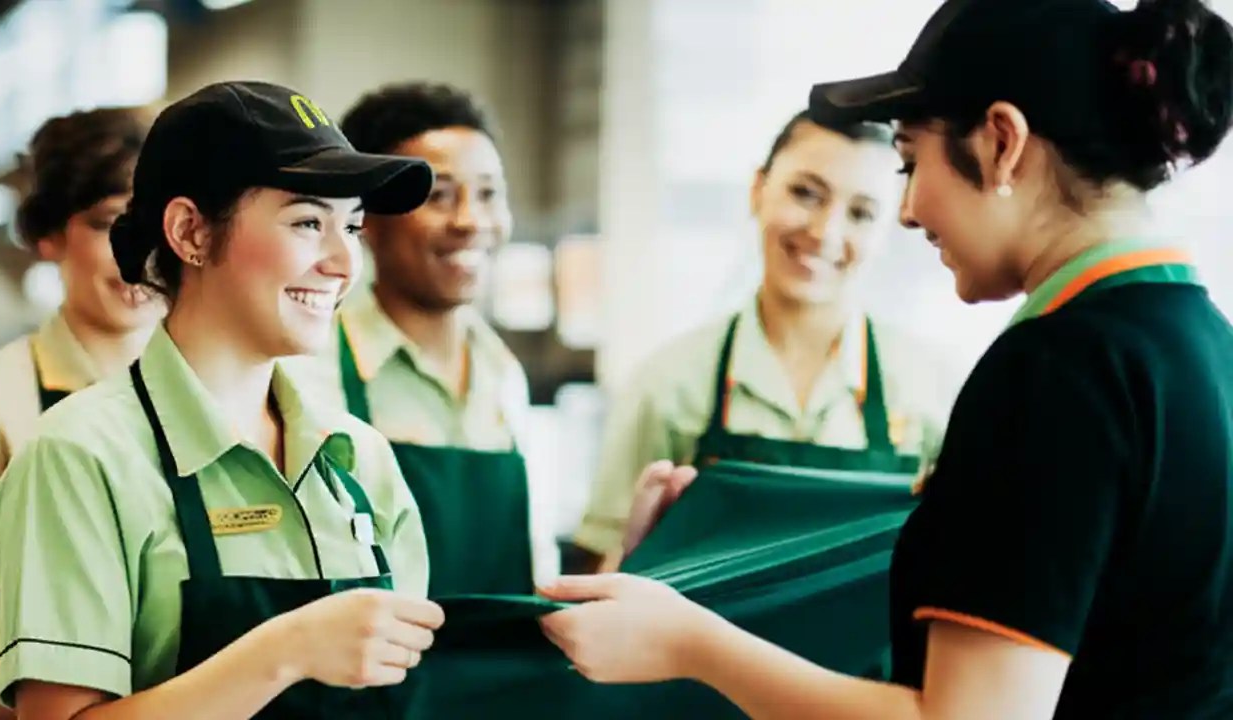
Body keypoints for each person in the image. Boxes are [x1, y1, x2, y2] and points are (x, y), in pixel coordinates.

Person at [539, 0, 1233, 717]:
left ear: (1002, 141)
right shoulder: (1207, 345)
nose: (908, 211)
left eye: (908, 164)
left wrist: (691, 644)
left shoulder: (1055, 370)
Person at [0, 81, 445, 720]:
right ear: (190, 231)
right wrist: (286, 651)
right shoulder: (79, 458)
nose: (344, 262)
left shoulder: (358, 460)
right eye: (309, 222)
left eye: (354, 227)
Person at [572, 107, 961, 572]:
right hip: (691, 647)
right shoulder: (668, 383)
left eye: (861, 212)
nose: (824, 232)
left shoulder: (931, 389)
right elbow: (599, 569)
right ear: (758, 190)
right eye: (806, 193)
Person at [292, 82, 558, 595]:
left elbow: (536, 566)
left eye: (488, 194)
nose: (470, 221)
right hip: (375, 670)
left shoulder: (504, 375)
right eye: (438, 195)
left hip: (498, 672)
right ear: (364, 218)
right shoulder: (308, 372)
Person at [0, 108, 160, 720]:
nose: (135, 252)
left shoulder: (220, 397)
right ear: (48, 236)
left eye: (153, 224)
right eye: (107, 224)